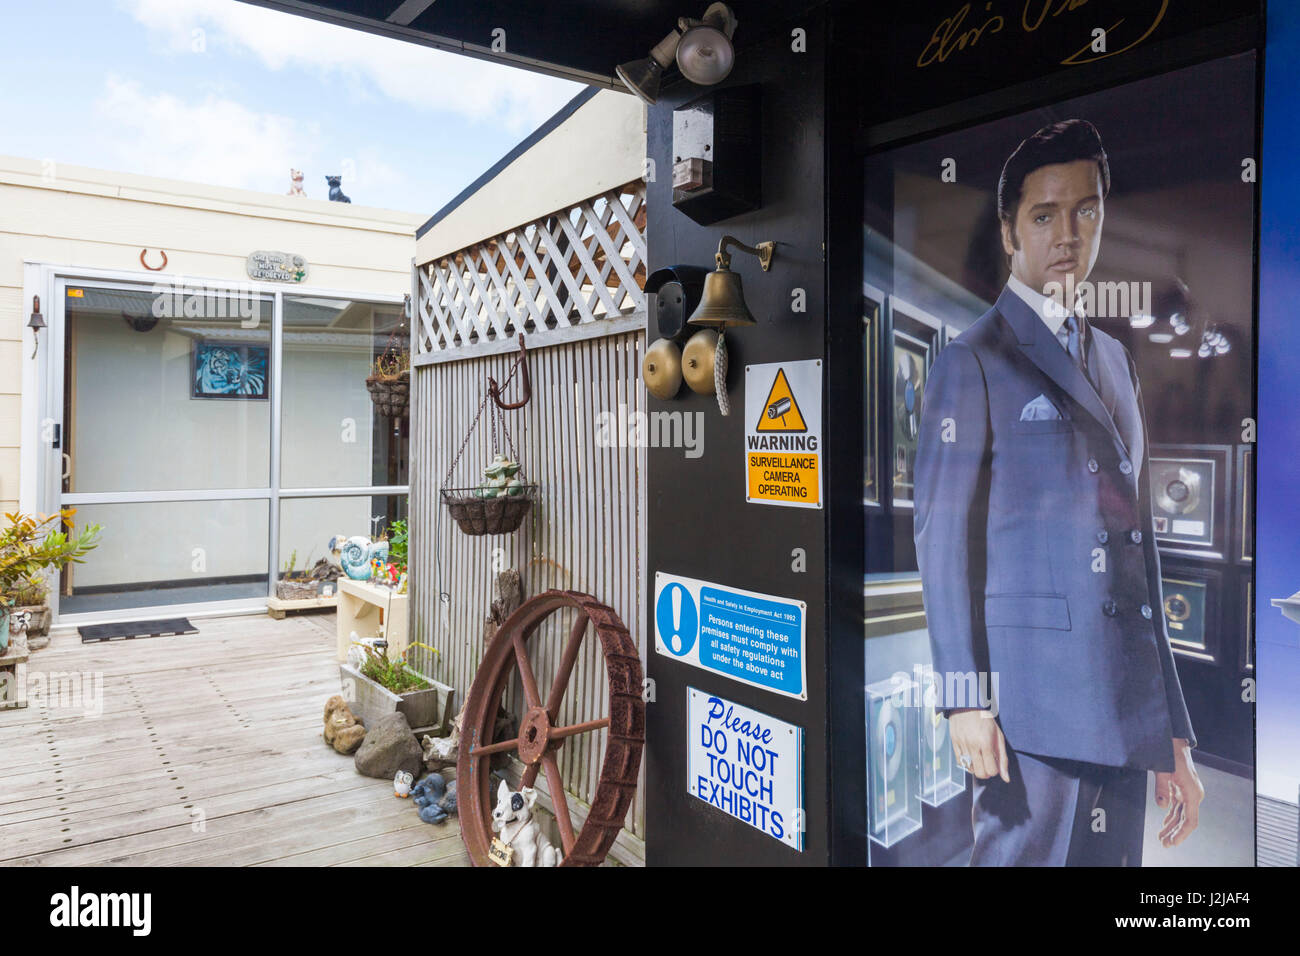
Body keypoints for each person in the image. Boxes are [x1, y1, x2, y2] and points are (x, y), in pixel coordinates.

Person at [912, 119, 1204, 866]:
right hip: (1028, 713)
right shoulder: (972, 359)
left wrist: (1171, 727)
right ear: (1011, 233)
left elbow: (1140, 553)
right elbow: (942, 544)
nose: (1067, 234)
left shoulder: (1115, 358)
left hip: (1125, 708)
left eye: (1086, 210)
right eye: (1044, 216)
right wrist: (965, 698)